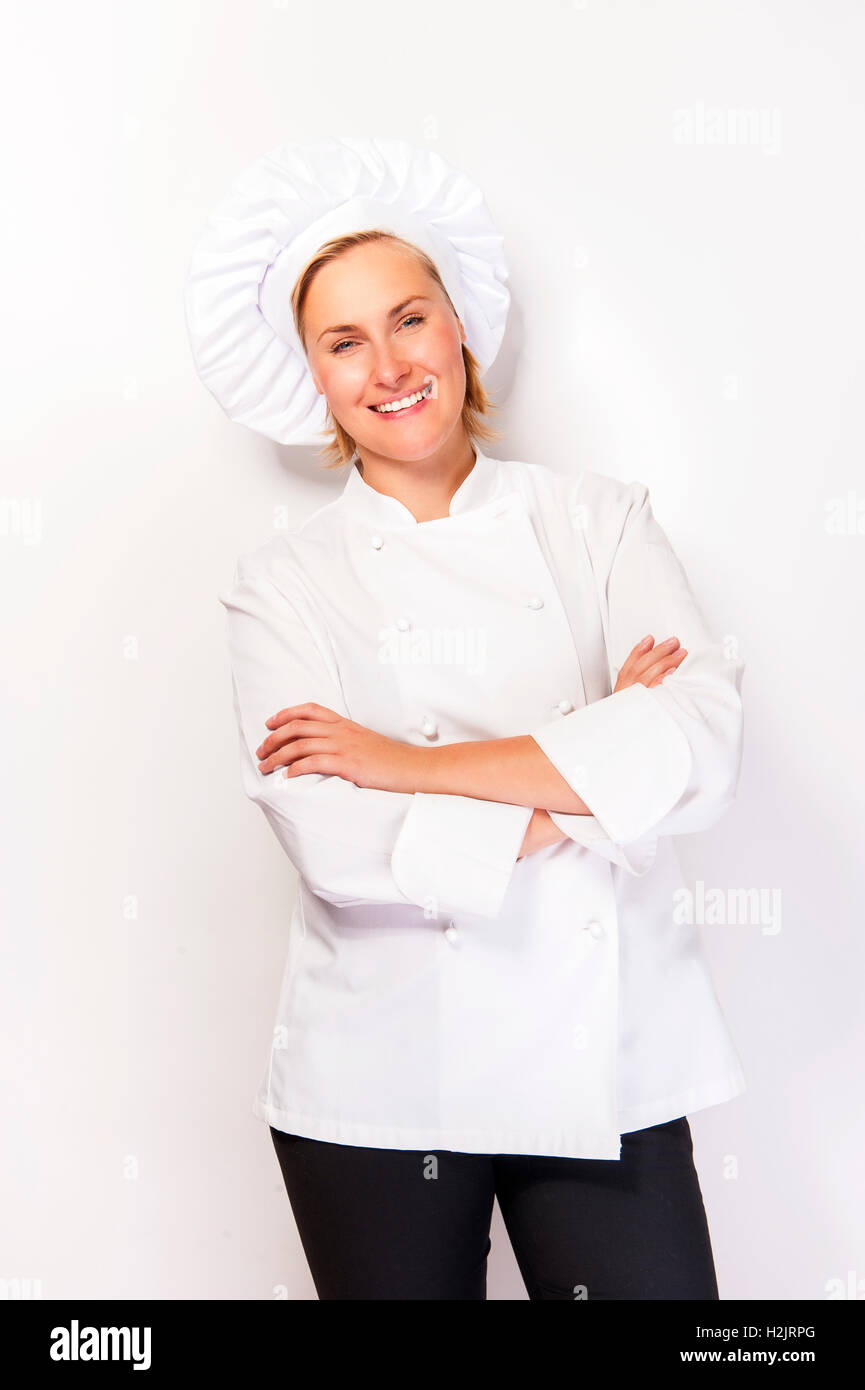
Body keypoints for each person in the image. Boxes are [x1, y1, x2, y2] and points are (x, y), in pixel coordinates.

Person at [186, 138, 747, 1300]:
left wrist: (404, 765)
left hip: (608, 1068)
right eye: (345, 340)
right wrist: (590, 772)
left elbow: (698, 749)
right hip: (381, 1081)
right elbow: (343, 853)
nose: (389, 363)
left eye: (409, 318)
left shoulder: (599, 520)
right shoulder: (281, 585)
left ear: (460, 328)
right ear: (312, 373)